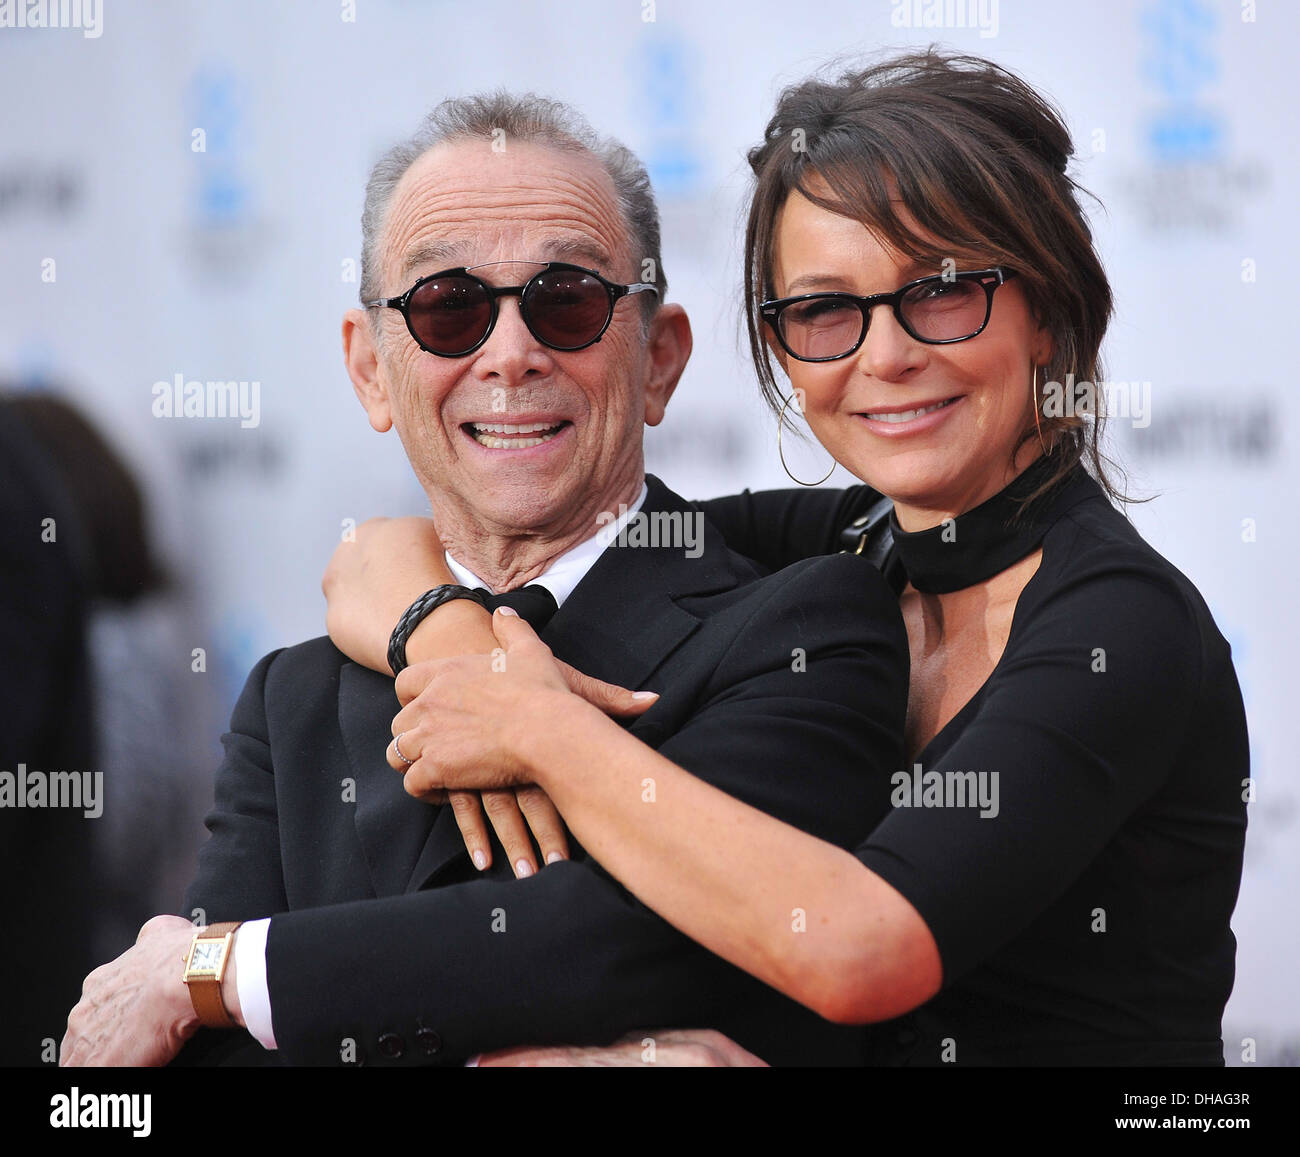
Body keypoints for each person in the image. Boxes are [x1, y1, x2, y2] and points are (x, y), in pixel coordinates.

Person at [324, 51, 1250, 1066]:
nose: (884, 354)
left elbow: (865, 948)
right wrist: (450, 633)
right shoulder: (844, 544)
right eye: (823, 311)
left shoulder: (1120, 623)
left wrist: (538, 727)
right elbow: (376, 560)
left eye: (942, 291)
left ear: (1047, 308)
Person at [58, 92, 908, 1067]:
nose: (511, 354)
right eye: (448, 306)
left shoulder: (805, 625)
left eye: (568, 299)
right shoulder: (290, 696)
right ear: (371, 369)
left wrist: (220, 970)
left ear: (660, 357)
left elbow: (664, 939)